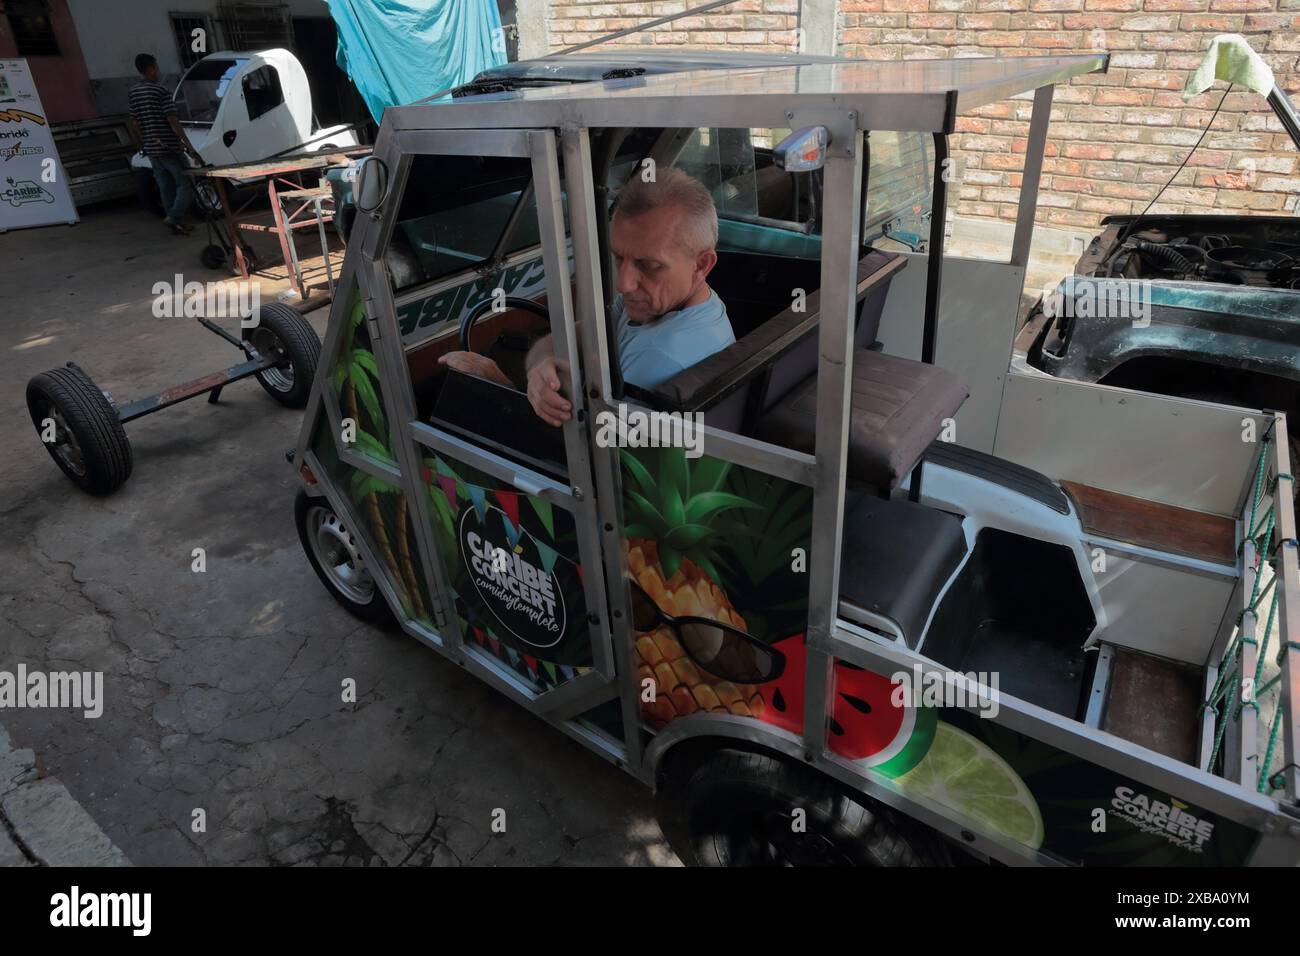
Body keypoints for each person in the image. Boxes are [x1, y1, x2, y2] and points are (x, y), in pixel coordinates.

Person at [439, 167, 735, 426]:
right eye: (619, 258)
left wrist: (497, 384)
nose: (623, 284)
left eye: (649, 266)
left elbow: (578, 462)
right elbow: (572, 336)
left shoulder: (660, 359)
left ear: (701, 265)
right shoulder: (686, 301)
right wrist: (540, 368)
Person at [128, 53, 203, 234]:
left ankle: (175, 224)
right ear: (151, 69)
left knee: (165, 186)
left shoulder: (134, 93)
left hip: (152, 149)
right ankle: (174, 217)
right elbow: (173, 121)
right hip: (169, 147)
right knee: (186, 183)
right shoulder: (161, 92)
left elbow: (135, 123)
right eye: (157, 67)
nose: (158, 71)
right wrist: (189, 146)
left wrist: (146, 141)